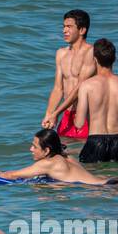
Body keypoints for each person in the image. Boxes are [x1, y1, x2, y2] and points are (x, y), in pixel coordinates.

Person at [75, 39, 118, 164]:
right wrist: (117, 120)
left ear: (95, 59)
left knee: (91, 180)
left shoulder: (87, 85)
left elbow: (79, 123)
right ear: (114, 59)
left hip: (95, 141)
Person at [0, 128, 118, 185]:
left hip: (104, 189)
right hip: (112, 182)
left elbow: (13, 175)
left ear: (46, 151)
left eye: (34, 146)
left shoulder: (48, 163)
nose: (31, 149)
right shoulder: (67, 157)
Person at [42, 9, 96, 142]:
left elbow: (79, 88)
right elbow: (58, 89)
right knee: (62, 157)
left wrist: (56, 113)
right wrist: (49, 114)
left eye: (69, 27)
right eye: (64, 27)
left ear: (82, 30)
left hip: (86, 116)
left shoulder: (91, 53)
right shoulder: (61, 53)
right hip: (66, 115)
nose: (64, 31)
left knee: (86, 160)